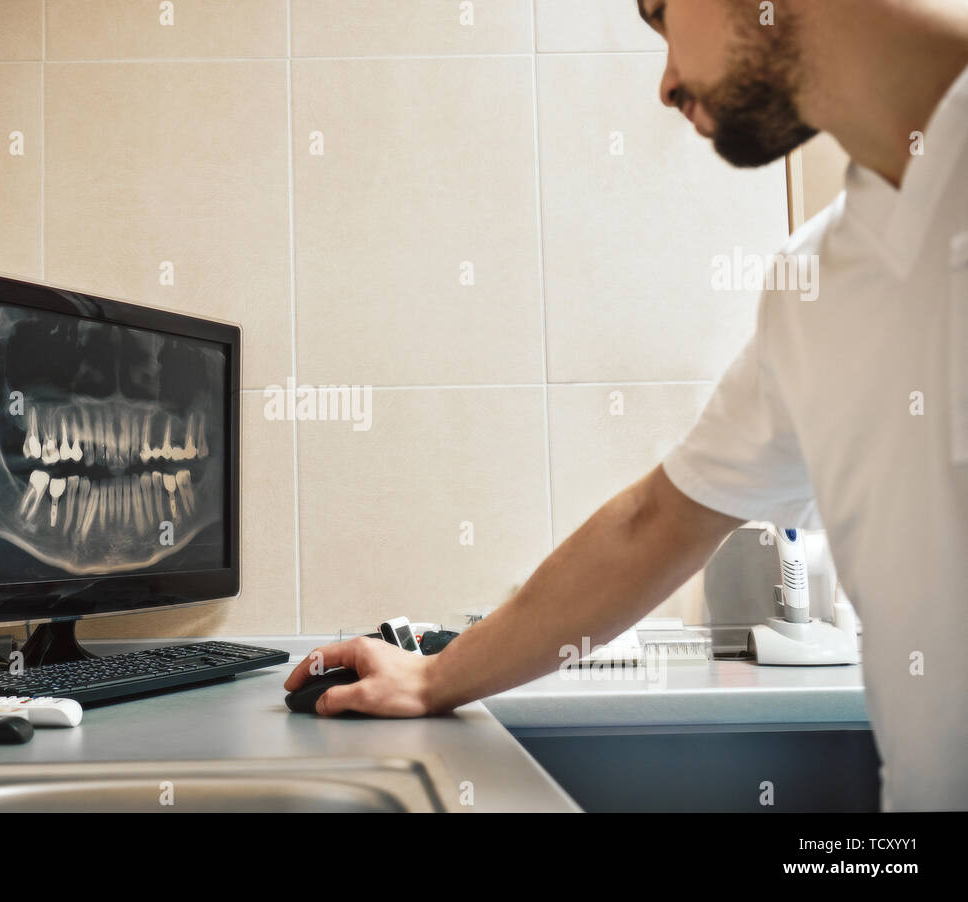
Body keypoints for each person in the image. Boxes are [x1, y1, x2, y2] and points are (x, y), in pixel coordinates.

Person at [286, 0, 968, 812]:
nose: (667, 82)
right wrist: (434, 676)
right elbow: (659, 520)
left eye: (659, 13)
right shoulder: (817, 288)